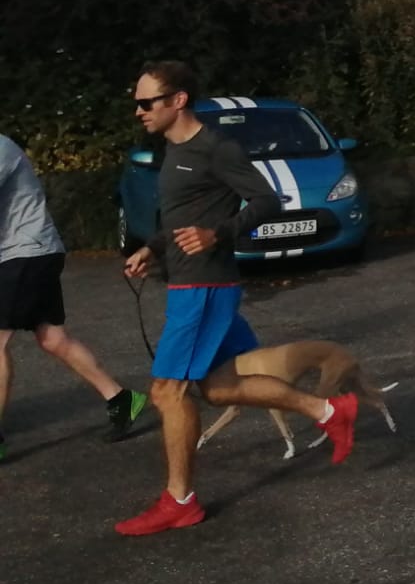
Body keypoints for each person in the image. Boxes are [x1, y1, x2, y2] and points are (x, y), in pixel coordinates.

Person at [116, 61, 358, 535]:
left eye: (147, 103)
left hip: (205, 286)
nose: (139, 112)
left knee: (168, 392)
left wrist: (218, 234)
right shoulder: (171, 150)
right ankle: (329, 410)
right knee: (218, 387)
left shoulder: (215, 148)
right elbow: (180, 217)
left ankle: (180, 500)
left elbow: (267, 202)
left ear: (178, 100)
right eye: (137, 104)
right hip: (188, 281)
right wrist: (153, 248)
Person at [0, 134, 149, 462]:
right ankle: (121, 399)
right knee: (52, 338)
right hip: (29, 253)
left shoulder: (0, 148)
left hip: (25, 253)